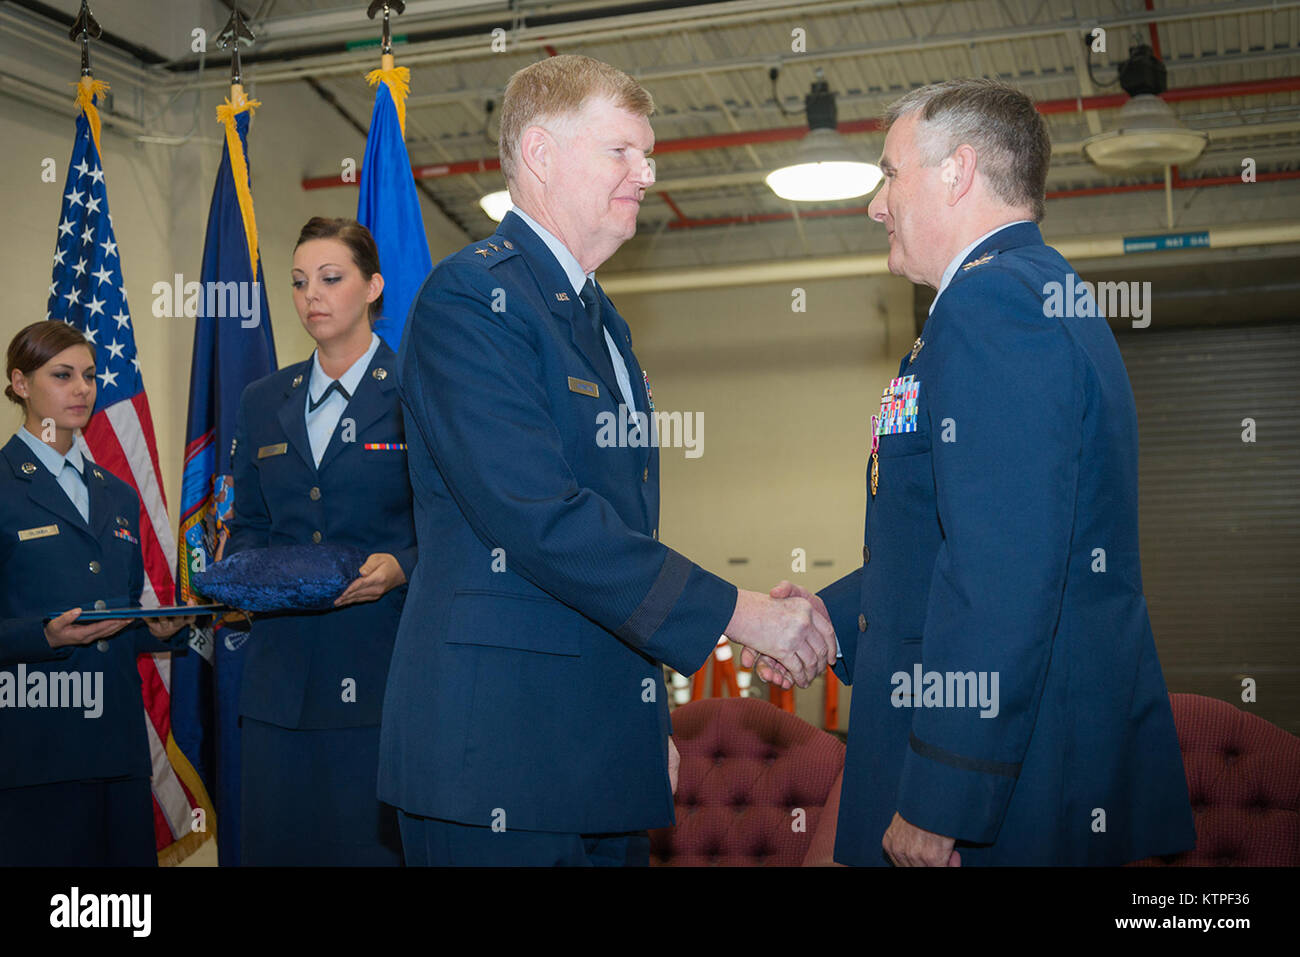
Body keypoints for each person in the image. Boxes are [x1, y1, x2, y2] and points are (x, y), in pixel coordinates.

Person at [380, 54, 836, 866]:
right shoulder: (469, 301)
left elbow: (617, 543)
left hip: (597, 757)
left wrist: (639, 722)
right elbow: (541, 519)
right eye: (622, 151)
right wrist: (743, 612)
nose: (647, 173)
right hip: (497, 761)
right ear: (542, 155)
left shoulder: (601, 321)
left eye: (649, 155)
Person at [768, 78, 1196, 866]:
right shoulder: (1026, 295)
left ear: (957, 171)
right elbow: (958, 539)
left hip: (1008, 792)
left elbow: (1003, 570)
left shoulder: (995, 306)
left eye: (889, 174)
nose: (875, 204)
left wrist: (944, 793)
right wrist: (826, 619)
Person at [225, 217, 416, 865]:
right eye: (301, 282)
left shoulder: (417, 389)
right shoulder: (262, 399)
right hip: (280, 681)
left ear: (373, 287)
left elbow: (454, 520)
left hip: (381, 671)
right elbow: (249, 523)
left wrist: (403, 564)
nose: (313, 295)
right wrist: (236, 576)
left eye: (332, 279)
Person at [0, 320, 194, 866]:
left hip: (118, 750)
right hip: (34, 751)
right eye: (62, 375)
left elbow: (116, 622)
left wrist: (153, 630)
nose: (82, 389)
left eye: (88, 375)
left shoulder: (119, 495)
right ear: (20, 383)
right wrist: (42, 635)